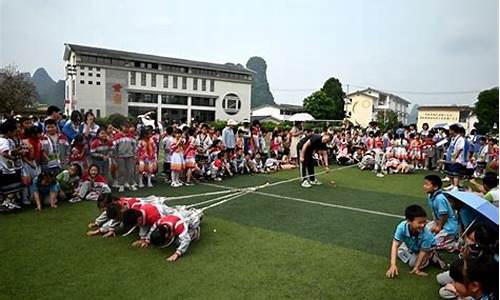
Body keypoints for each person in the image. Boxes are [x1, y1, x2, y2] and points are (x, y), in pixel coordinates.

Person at [386, 205, 439, 278]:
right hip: (412, 243)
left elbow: (423, 251)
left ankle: (431, 255)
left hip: (426, 248)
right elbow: (395, 245)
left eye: (424, 222)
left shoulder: (427, 235)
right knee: (399, 252)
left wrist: (416, 268)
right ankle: (413, 253)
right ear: (409, 221)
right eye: (419, 222)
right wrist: (393, 265)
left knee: (412, 264)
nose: (423, 225)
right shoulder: (401, 227)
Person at [424, 175, 459, 250]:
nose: (424, 186)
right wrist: (435, 224)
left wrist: (439, 227)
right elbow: (435, 212)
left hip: (449, 227)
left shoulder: (439, 198)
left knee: (432, 244)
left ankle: (454, 244)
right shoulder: (430, 196)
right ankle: (448, 239)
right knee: (424, 232)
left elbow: (444, 215)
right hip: (440, 222)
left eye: (427, 184)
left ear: (435, 187)